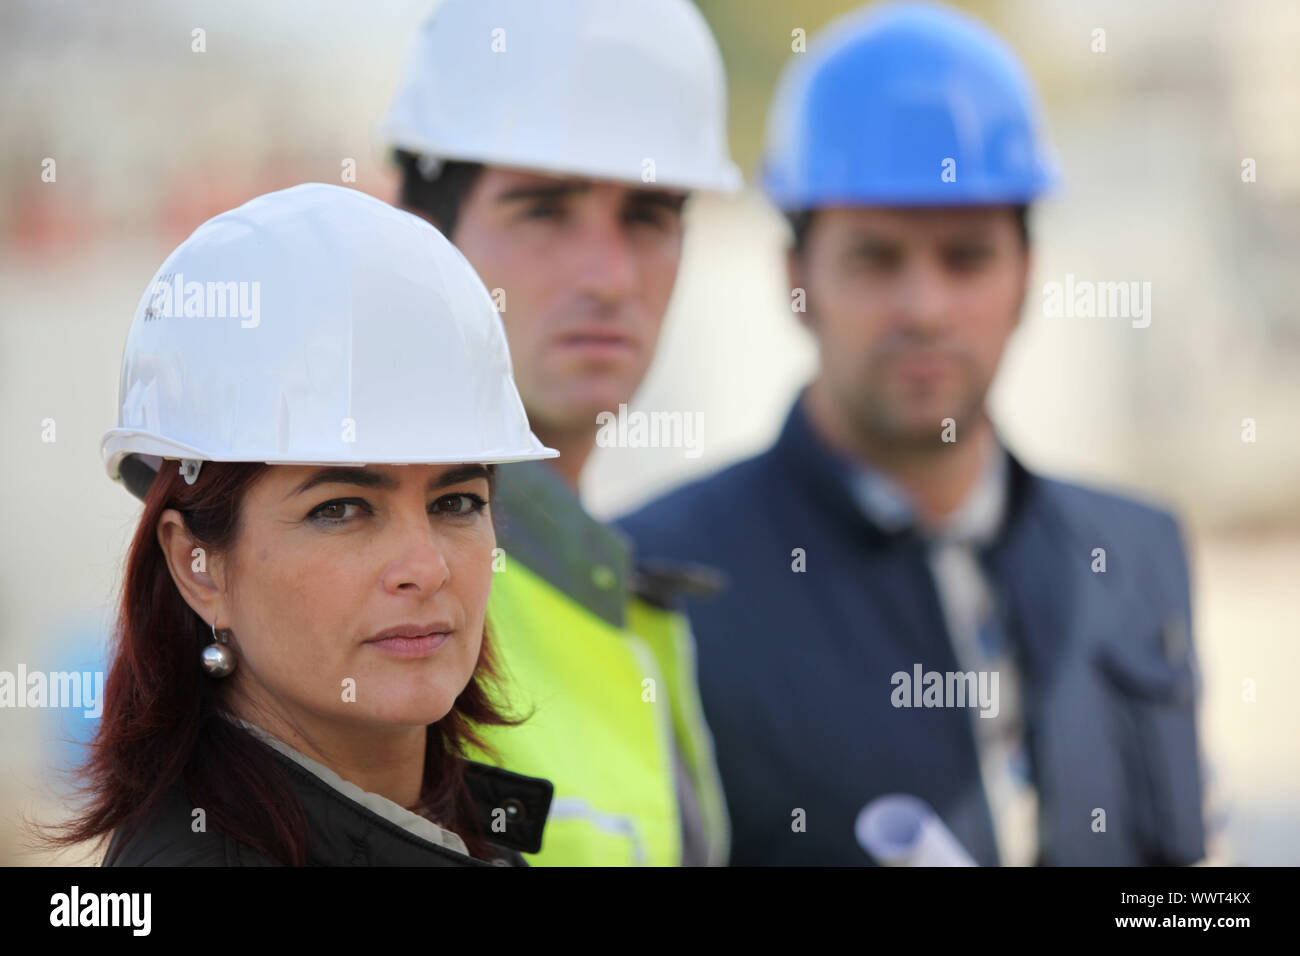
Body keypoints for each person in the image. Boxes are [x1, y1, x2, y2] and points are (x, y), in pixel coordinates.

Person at [619, 2, 1207, 866]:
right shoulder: (662, 583)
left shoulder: (1135, 557)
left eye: (966, 257)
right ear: (796, 279)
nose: (925, 308)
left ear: (1026, 277)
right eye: (876, 258)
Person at [49, 183, 557, 866]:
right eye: (339, 509)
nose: (426, 567)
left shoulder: (458, 830)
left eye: (456, 502)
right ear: (198, 567)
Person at [378, 0, 740, 865]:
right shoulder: (369, 607)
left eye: (648, 215)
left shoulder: (616, 595)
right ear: (424, 238)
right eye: (543, 210)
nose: (609, 276)